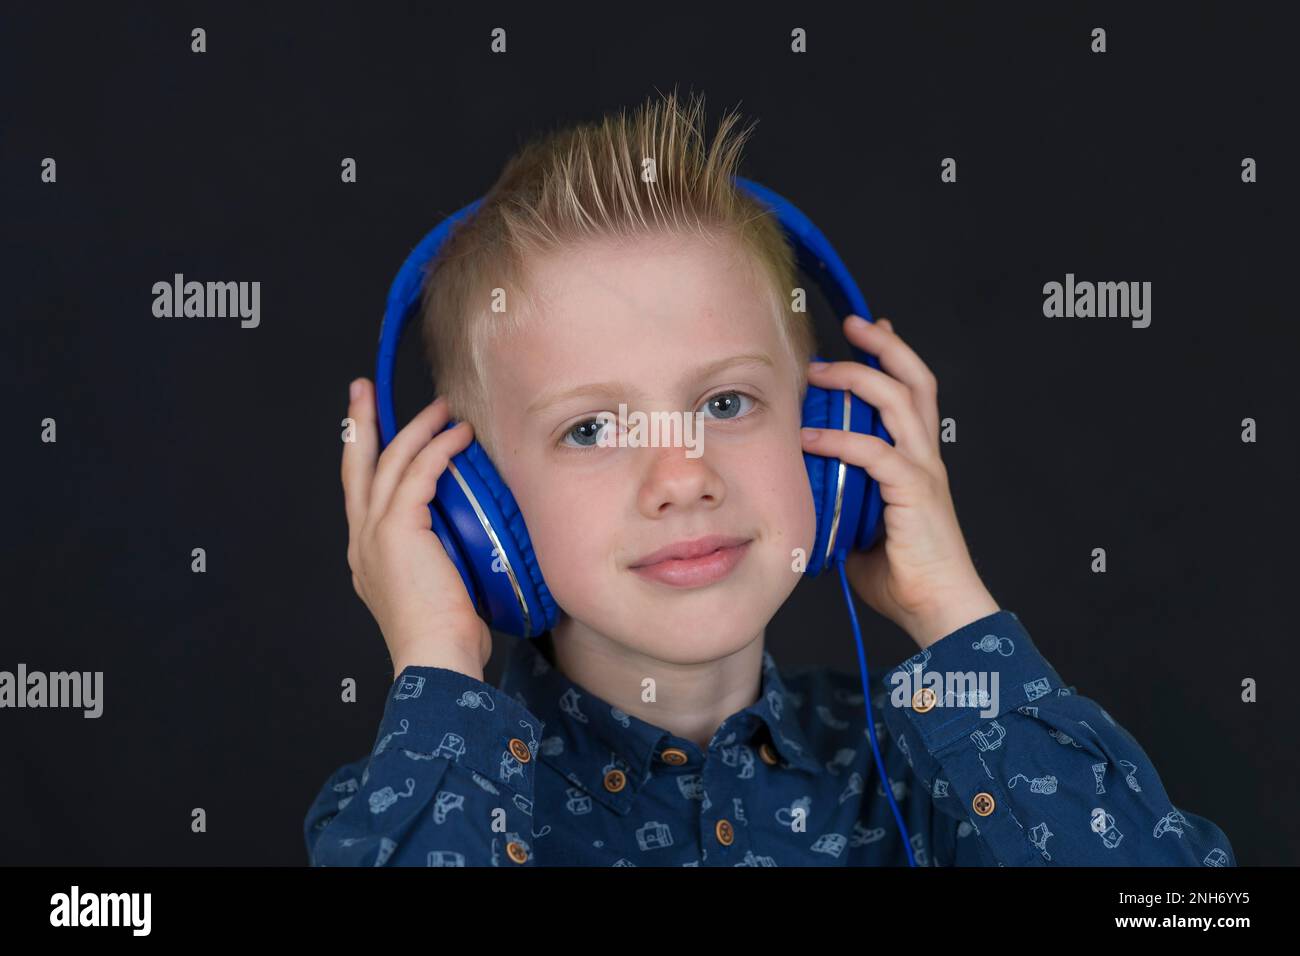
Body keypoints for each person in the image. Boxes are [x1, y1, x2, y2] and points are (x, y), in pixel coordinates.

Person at [303, 90, 1235, 867]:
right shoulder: (433, 795)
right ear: (472, 507)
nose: (683, 476)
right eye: (590, 427)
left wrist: (953, 613)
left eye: (725, 404)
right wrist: (434, 660)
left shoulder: (941, 765)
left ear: (837, 433)